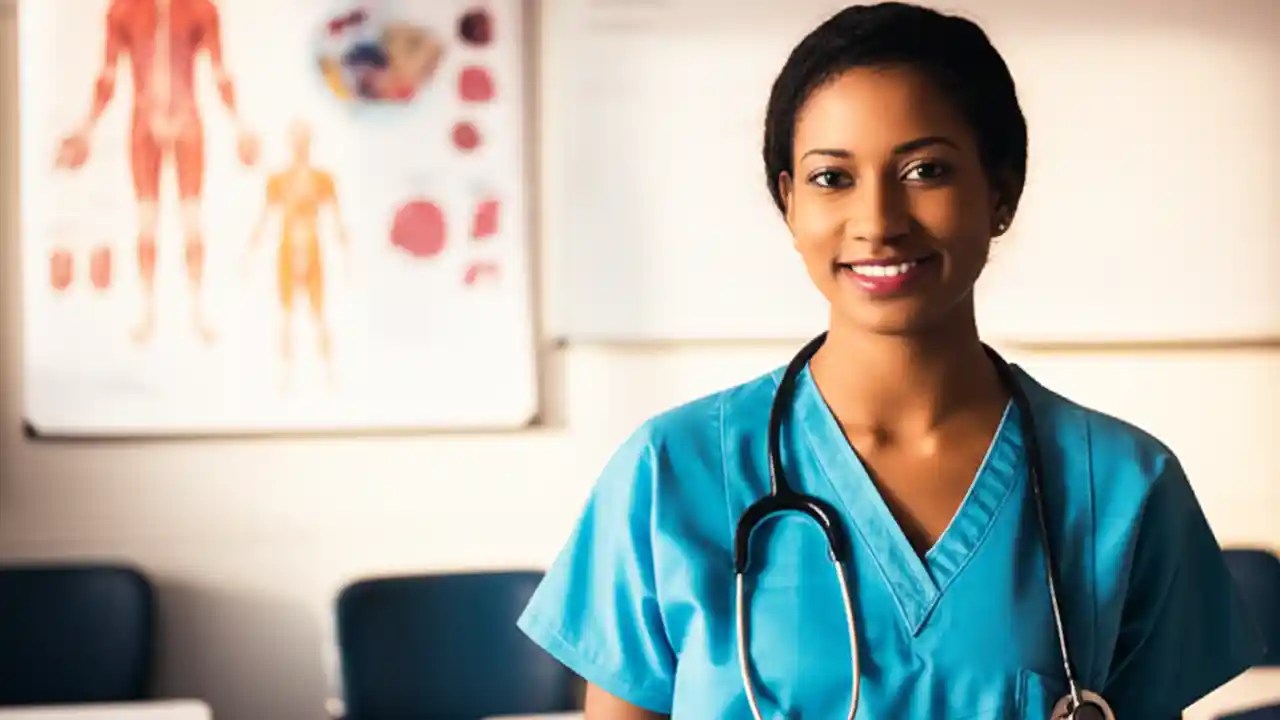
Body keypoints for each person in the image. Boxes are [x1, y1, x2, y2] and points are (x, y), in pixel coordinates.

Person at [515, 3, 1266, 718]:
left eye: (925, 171)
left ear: (1001, 193)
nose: (877, 222)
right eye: (832, 178)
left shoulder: (1124, 487)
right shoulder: (670, 474)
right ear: (789, 203)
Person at [55, 0, 260, 345]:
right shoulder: (124, 10)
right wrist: (86, 128)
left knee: (191, 219)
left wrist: (240, 126)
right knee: (147, 220)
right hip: (145, 123)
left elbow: (219, 72)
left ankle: (197, 308)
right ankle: (147, 310)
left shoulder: (200, 9)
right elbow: (108, 75)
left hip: (185, 119)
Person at [244, 119, 350, 390]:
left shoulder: (323, 179)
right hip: (288, 251)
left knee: (318, 315)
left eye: (304, 139)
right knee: (287, 316)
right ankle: (286, 375)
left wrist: (348, 259)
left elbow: (337, 222)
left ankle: (330, 373)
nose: (300, 144)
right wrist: (249, 254)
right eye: (296, 139)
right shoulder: (278, 180)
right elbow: (265, 217)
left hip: (313, 250)